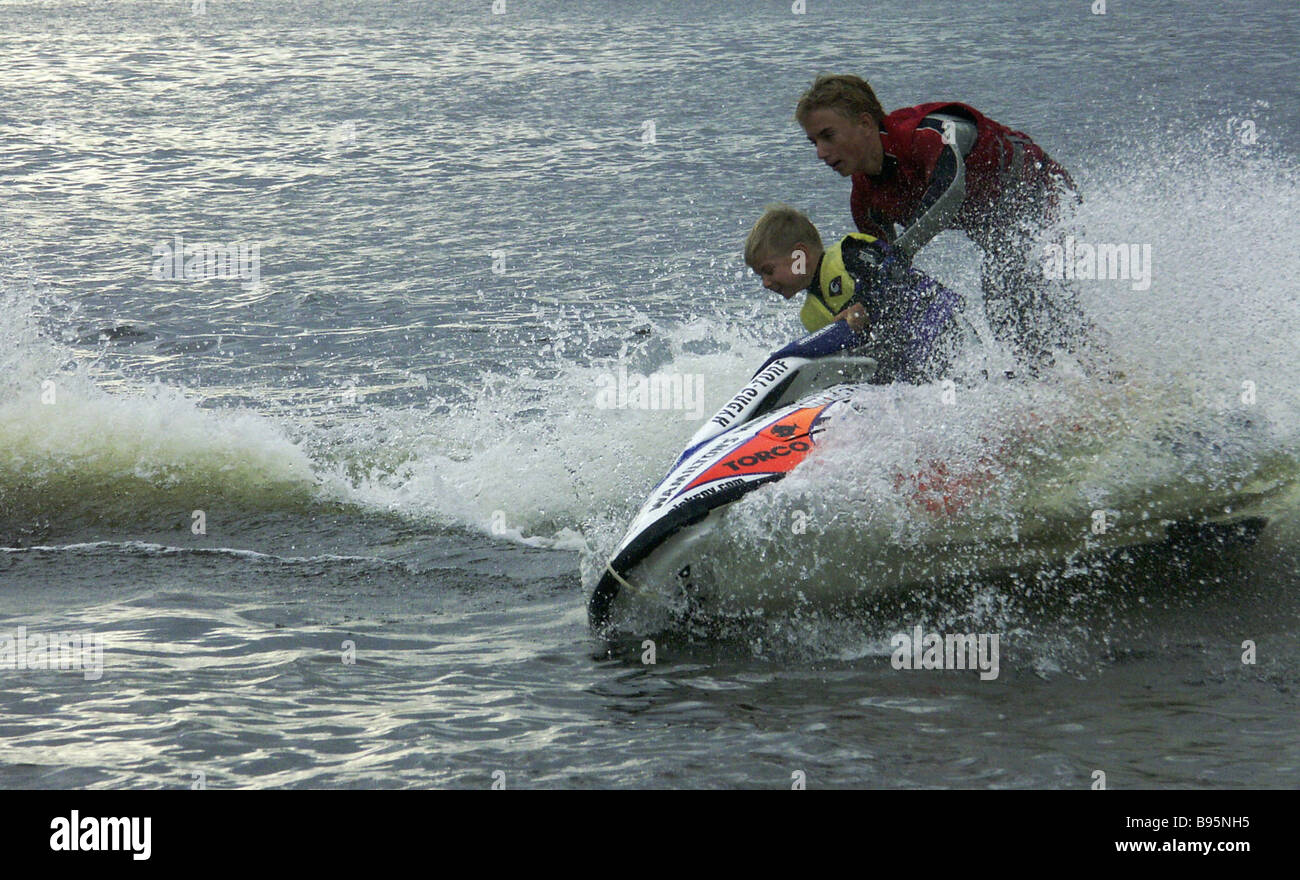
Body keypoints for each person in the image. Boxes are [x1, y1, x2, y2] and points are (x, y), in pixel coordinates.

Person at [795, 74, 1084, 369]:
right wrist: (859, 309)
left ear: (866, 124)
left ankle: (1099, 374)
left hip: (1049, 196)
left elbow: (950, 191)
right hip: (1001, 232)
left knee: (1011, 287)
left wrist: (898, 256)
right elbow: (885, 274)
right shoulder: (865, 203)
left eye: (828, 136)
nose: (820, 152)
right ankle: (1050, 388)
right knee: (1005, 309)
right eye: (813, 142)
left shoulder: (926, 133)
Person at [745, 204, 963, 385]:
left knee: (947, 392)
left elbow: (891, 274)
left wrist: (864, 304)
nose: (765, 283)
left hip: (942, 329)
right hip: (909, 362)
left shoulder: (850, 254)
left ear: (799, 257)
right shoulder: (811, 316)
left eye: (768, 270)